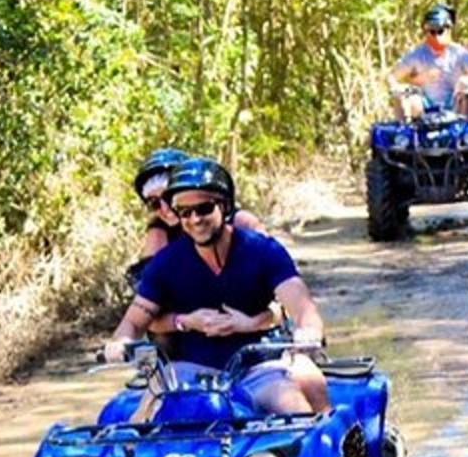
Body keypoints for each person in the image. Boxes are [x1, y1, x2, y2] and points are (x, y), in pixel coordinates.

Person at [104, 157, 328, 415]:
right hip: (187, 373)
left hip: (258, 368)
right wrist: (120, 342)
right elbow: (134, 321)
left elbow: (303, 309)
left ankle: (340, 453)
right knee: (141, 424)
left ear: (224, 206)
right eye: (185, 212)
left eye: (204, 208)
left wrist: (308, 330)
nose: (195, 219)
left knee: (294, 409)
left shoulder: (263, 250)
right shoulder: (165, 262)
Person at [130, 147, 266, 267]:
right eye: (155, 203)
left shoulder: (240, 222)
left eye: (169, 198)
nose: (165, 209)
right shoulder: (159, 234)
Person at [385, 3, 468, 120]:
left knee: (466, 82)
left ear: (448, 30)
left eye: (440, 31)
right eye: (431, 31)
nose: (436, 36)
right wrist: (399, 88)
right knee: (404, 93)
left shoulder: (461, 54)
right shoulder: (415, 55)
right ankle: (403, 131)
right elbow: (391, 77)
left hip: (456, 106)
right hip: (423, 107)